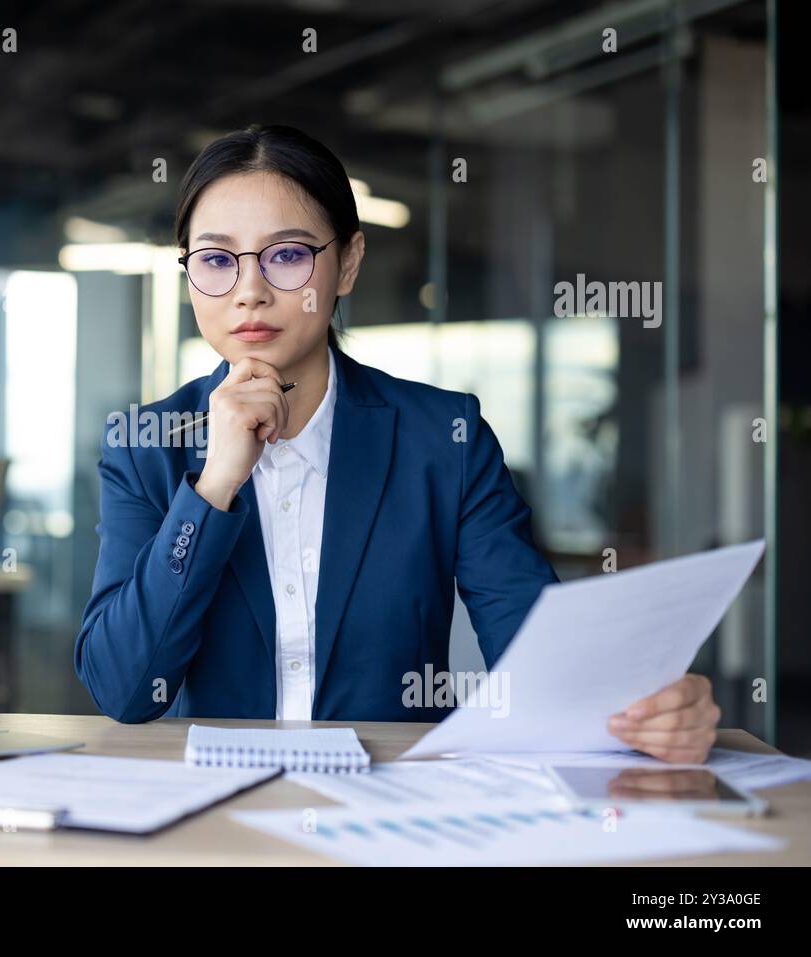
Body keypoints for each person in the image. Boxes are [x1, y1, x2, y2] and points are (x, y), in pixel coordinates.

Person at [74, 124, 720, 763]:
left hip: (389, 817)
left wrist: (646, 711)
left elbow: (539, 664)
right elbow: (123, 688)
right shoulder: (148, 446)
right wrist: (213, 487)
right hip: (218, 823)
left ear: (348, 263)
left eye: (288, 254)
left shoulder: (445, 440)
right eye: (216, 259)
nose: (249, 289)